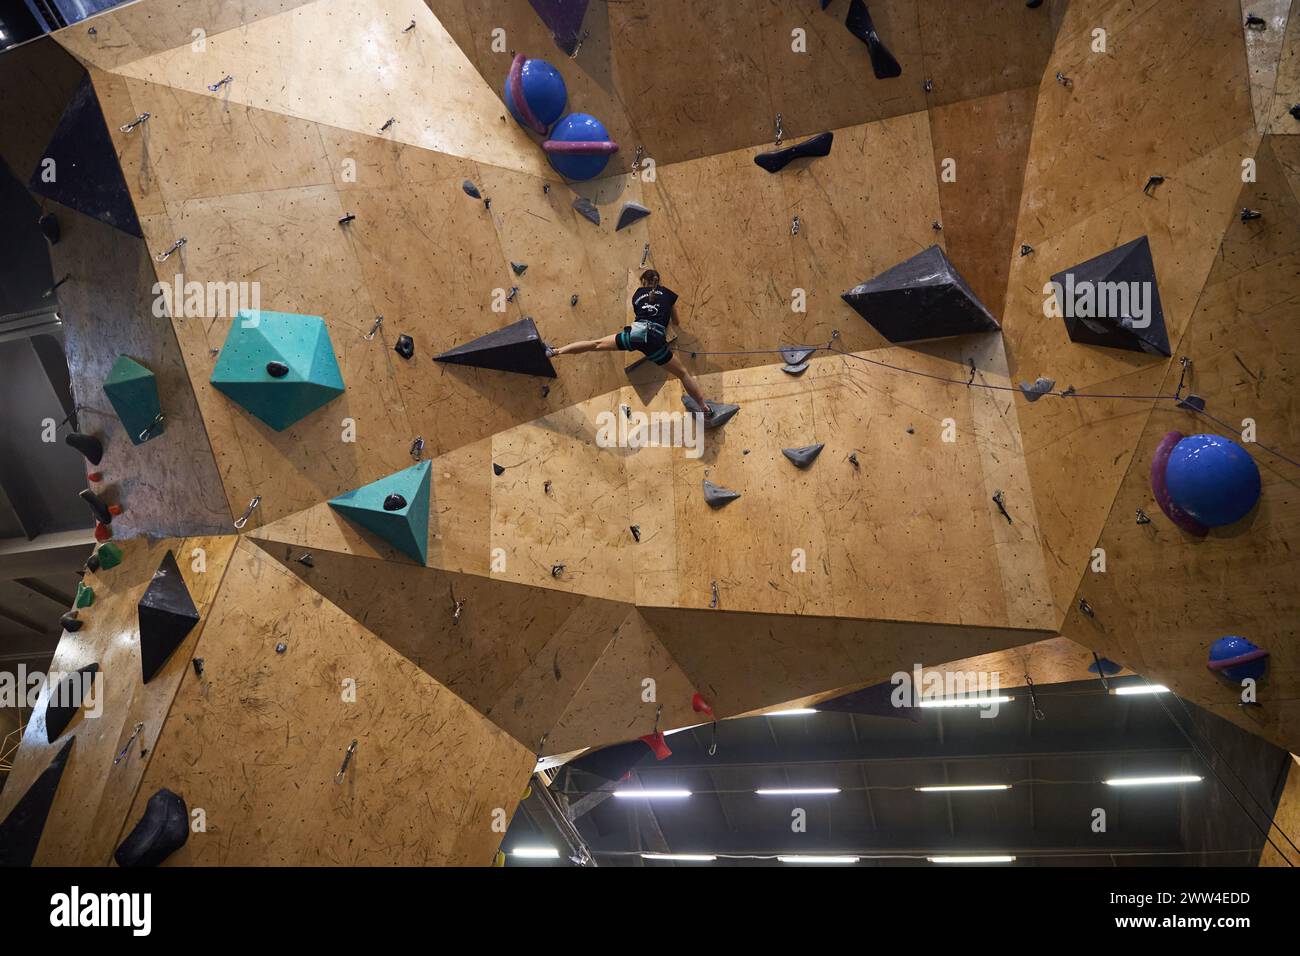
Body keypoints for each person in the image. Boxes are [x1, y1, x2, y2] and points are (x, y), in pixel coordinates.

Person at [547, 270, 719, 421]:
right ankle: (705, 409)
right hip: (654, 341)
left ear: (643, 282)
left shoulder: (637, 294)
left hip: (634, 335)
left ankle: (555, 351)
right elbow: (676, 321)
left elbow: (643, 314)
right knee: (682, 373)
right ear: (658, 281)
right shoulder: (667, 293)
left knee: (596, 344)